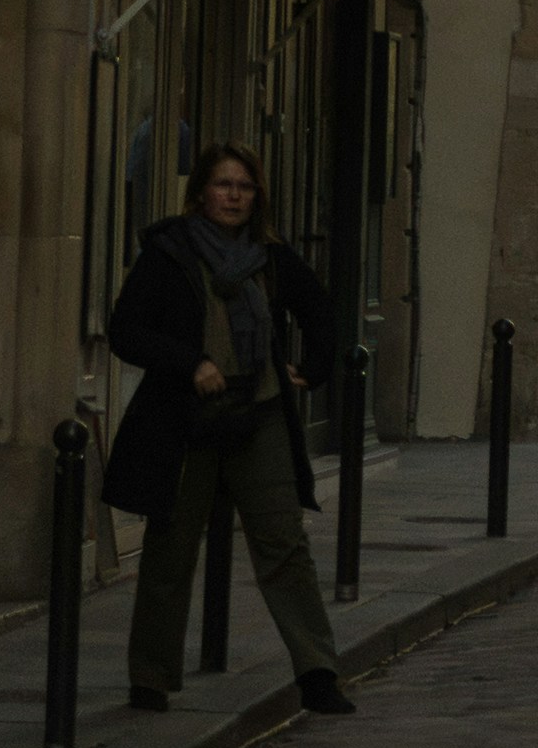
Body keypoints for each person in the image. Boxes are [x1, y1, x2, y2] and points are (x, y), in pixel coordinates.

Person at [105, 143, 353, 718]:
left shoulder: (269, 257)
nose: (234, 196)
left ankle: (317, 672)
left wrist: (311, 370)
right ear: (201, 194)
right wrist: (189, 362)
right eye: (223, 185)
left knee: (284, 545)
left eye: (244, 187)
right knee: (170, 549)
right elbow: (126, 330)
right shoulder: (169, 253)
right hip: (186, 421)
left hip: (260, 413)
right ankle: (150, 676)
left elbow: (318, 309)